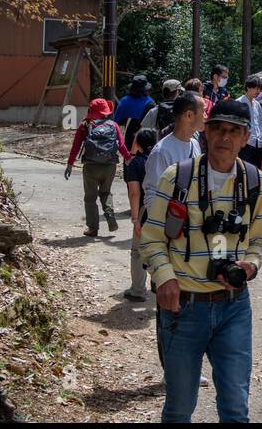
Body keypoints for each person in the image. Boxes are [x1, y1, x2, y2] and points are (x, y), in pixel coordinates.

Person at [140, 100, 262, 422]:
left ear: (245, 138)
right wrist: (165, 277)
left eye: (234, 131)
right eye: (219, 129)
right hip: (183, 307)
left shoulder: (255, 182)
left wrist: (250, 265)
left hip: (234, 306)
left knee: (236, 407)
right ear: (206, 132)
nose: (225, 137)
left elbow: (259, 239)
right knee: (180, 406)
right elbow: (152, 237)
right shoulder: (177, 178)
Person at [64, 97, 130, 237]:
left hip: (91, 166)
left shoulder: (85, 125)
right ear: (105, 111)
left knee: (90, 198)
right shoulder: (113, 125)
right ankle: (110, 214)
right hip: (110, 166)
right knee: (106, 192)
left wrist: (70, 164)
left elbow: (76, 147)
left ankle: (93, 228)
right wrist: (128, 158)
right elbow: (121, 145)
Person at [143, 91, 205, 219]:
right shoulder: (161, 151)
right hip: (172, 225)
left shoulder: (195, 143)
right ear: (189, 115)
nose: (206, 116)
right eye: (203, 111)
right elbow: (152, 194)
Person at [123, 128, 158, 302]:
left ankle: (137, 290)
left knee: (137, 251)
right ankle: (158, 283)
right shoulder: (161, 159)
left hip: (144, 210)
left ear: (138, 142)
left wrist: (135, 219)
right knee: (159, 247)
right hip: (162, 210)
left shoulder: (136, 163)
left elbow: (134, 193)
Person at [113, 74, 155, 150]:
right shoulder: (150, 102)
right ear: (145, 89)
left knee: (129, 160)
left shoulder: (124, 101)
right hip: (146, 139)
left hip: (129, 138)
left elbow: (117, 121)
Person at [237, 76, 262, 167]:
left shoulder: (257, 104)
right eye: (256, 88)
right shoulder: (239, 102)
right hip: (245, 143)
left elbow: (261, 122)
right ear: (248, 88)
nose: (258, 91)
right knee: (244, 171)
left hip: (258, 143)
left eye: (259, 89)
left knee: (256, 172)